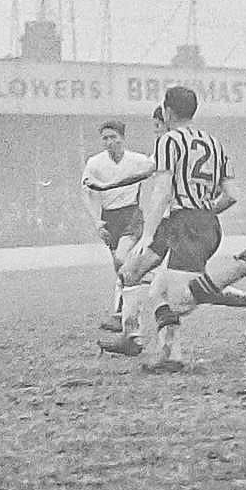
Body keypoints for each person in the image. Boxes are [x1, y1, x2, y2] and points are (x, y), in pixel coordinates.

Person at [103, 86, 246, 373]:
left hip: (185, 224)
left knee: (180, 299)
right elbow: (232, 195)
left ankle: (243, 265)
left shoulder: (168, 140)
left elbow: (162, 191)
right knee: (149, 285)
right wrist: (205, 211)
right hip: (199, 222)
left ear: (168, 111)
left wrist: (148, 234)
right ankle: (165, 352)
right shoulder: (214, 143)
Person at [81, 120, 154, 334]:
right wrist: (97, 222)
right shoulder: (95, 163)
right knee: (119, 268)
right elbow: (86, 193)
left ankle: (142, 279)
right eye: (105, 138)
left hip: (131, 214)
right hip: (109, 217)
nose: (109, 142)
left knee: (122, 258)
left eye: (113, 137)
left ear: (123, 138)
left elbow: (156, 170)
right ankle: (121, 313)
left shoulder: (138, 160)